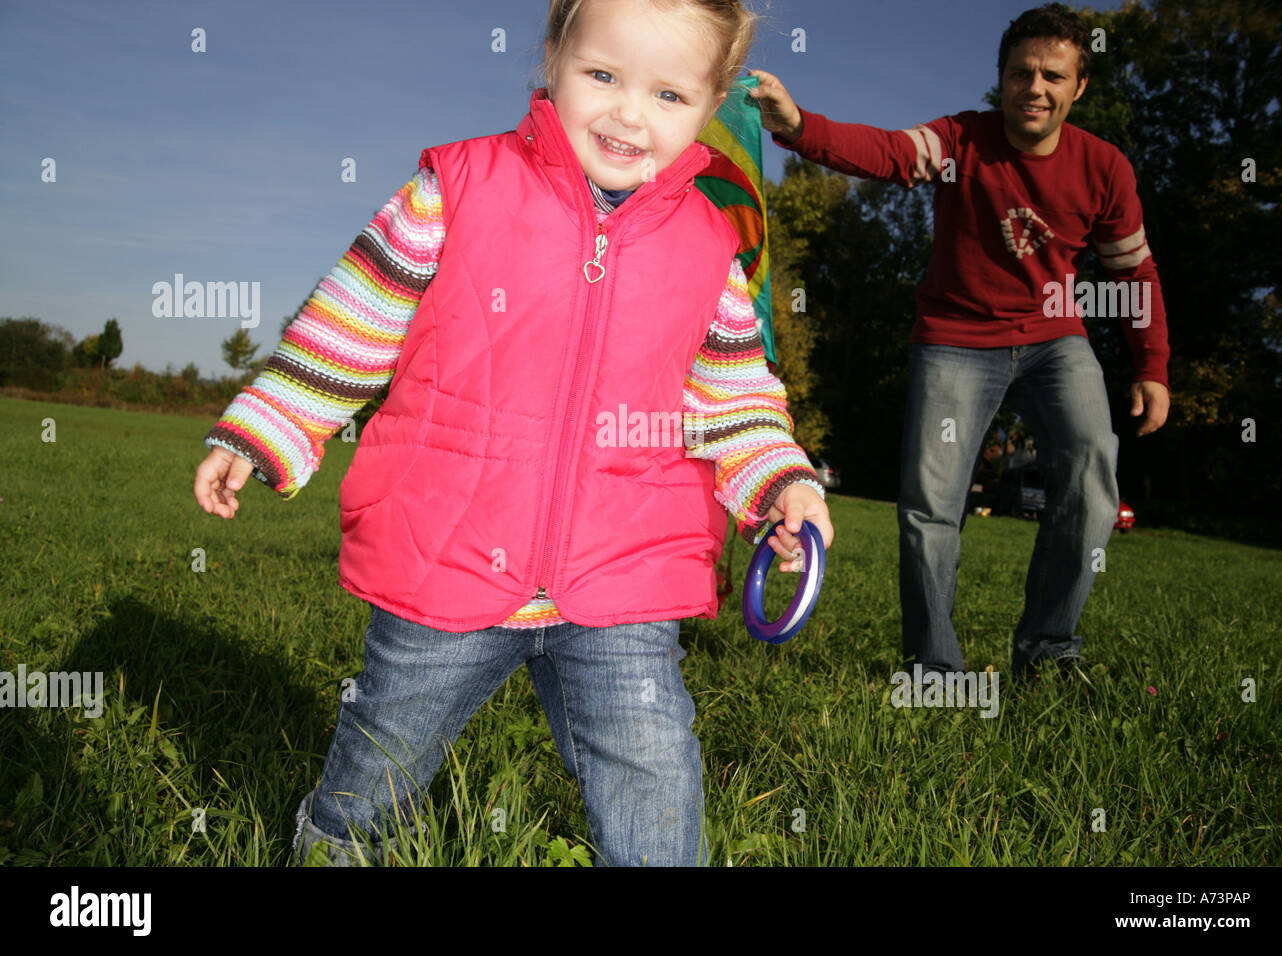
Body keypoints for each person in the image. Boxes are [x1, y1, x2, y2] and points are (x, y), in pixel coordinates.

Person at [192, 0, 833, 867]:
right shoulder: (462, 186)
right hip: (448, 553)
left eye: (670, 94)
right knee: (382, 755)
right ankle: (335, 845)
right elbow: (357, 317)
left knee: (651, 766)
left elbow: (734, 394)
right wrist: (267, 425)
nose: (628, 114)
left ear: (713, 106)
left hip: (626, 574)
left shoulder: (707, 247)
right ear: (554, 55)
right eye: (602, 75)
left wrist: (782, 482)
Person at [748, 3, 1169, 677]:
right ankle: (934, 667)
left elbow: (1132, 270)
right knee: (930, 507)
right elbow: (888, 154)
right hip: (955, 338)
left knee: (1092, 479)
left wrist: (1153, 365)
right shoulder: (961, 142)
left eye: (1053, 75)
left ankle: (1049, 650)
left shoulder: (1105, 168)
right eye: (1021, 72)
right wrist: (800, 127)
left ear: (1078, 87)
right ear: (1000, 78)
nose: (1035, 87)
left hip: (1055, 339)